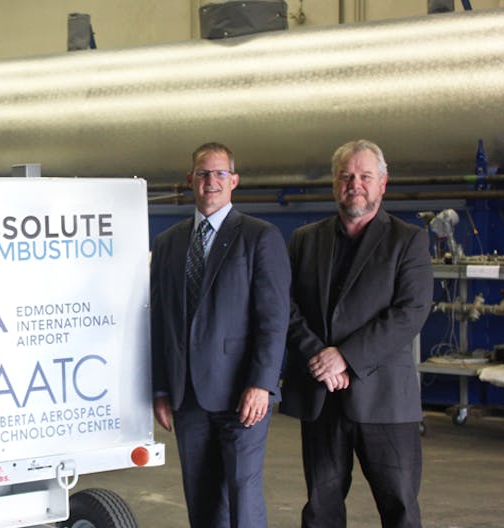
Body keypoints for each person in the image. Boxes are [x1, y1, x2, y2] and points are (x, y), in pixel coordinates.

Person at [281, 139, 433, 528]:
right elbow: (287, 306)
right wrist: (319, 355)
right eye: (347, 176)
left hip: (384, 400)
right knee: (321, 508)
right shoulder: (305, 239)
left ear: (383, 183)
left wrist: (346, 356)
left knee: (399, 507)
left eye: (365, 176)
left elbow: (410, 313)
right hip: (322, 396)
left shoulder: (408, 240)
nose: (355, 184)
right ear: (335, 183)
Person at [151, 142, 291, 527]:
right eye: (203, 174)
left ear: (234, 181)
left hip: (241, 395)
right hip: (187, 396)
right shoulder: (168, 243)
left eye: (219, 174)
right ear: (190, 180)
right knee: (201, 497)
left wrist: (262, 384)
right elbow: (160, 319)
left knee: (242, 496)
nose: (210, 182)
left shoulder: (259, 237)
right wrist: (161, 389)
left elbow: (273, 319)